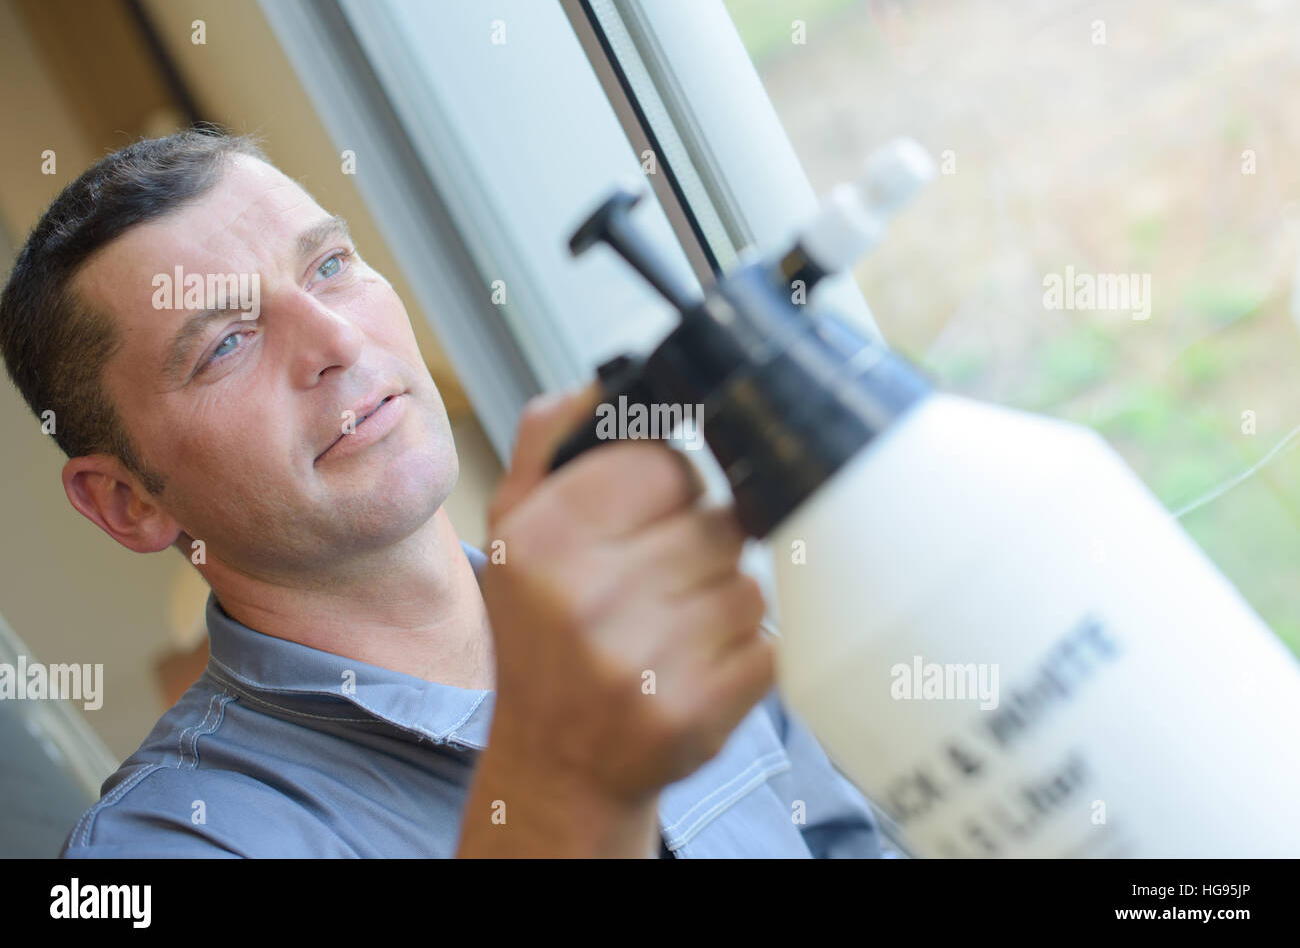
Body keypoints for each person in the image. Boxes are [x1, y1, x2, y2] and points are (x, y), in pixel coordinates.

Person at [0, 129, 894, 858]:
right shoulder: (165, 849)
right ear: (127, 503)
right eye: (226, 343)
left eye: (330, 267)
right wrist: (564, 777)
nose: (336, 340)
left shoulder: (644, 626)